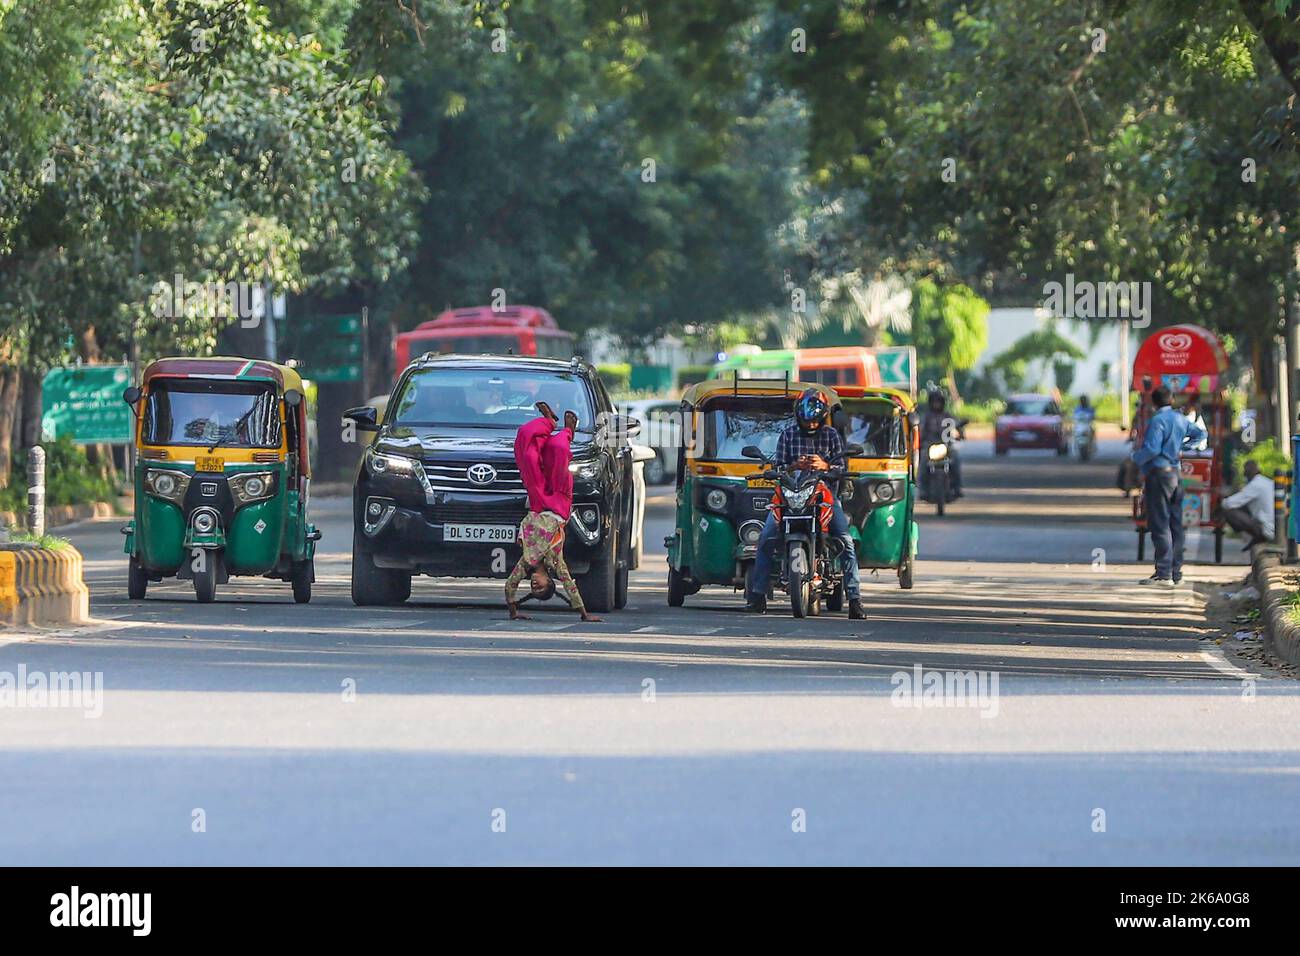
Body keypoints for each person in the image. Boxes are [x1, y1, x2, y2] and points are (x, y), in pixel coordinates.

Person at [744, 388, 864, 619]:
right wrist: (793, 467)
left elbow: (842, 469)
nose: (811, 424)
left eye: (815, 420)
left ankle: (855, 599)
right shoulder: (788, 435)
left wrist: (825, 466)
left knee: (846, 542)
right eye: (806, 419)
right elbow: (777, 467)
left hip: (824, 497)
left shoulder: (831, 436)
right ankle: (757, 596)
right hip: (788, 497)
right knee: (766, 538)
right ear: (798, 414)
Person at [505, 402, 601, 622]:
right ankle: (568, 431)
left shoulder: (526, 562)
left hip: (537, 504)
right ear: (549, 581)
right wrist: (584, 615)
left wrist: (514, 611)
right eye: (542, 589)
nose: (535, 586)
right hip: (558, 505)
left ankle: (549, 421)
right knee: (558, 449)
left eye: (534, 590)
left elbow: (510, 586)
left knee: (527, 451)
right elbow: (569, 585)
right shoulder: (554, 561)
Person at [1131, 386, 1207, 586]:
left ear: (1153, 403)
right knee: (1176, 522)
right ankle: (1176, 572)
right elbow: (1200, 434)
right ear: (1171, 400)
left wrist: (1136, 459)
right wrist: (1181, 447)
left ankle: (1163, 572)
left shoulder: (1157, 421)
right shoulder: (1181, 418)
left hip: (1159, 475)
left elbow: (1152, 449)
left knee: (1160, 522)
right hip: (1175, 474)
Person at [1218, 460, 1274, 550]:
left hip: (1267, 528)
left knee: (1229, 513)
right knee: (1244, 507)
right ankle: (1257, 538)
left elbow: (1229, 503)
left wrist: (1221, 501)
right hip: (1275, 525)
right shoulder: (1266, 481)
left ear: (1247, 473)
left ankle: (1259, 537)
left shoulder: (1255, 485)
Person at [919, 388, 963, 498]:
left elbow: (956, 427)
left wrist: (959, 433)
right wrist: (920, 439)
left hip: (946, 445)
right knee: (923, 463)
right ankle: (923, 490)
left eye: (938, 401)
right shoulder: (926, 417)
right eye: (934, 401)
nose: (936, 404)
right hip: (930, 445)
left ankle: (957, 487)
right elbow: (921, 430)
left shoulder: (948, 415)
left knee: (956, 460)